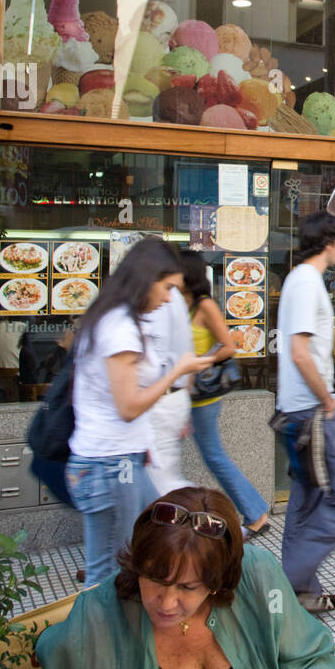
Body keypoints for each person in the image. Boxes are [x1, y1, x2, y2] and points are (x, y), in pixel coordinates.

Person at [24, 486, 335, 669]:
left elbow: (311, 658)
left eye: (187, 587)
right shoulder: (96, 617)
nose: (165, 603)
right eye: (152, 579)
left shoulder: (258, 577)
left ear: (218, 580)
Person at [66, 238, 214, 587]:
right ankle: (100, 638)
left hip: (117, 460)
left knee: (153, 535)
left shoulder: (114, 317)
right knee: (113, 570)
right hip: (111, 465)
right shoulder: (120, 327)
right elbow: (129, 406)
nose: (168, 299)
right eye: (166, 289)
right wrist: (177, 372)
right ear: (147, 279)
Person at [275, 212, 335, 613]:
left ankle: (300, 591)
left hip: (293, 410)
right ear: (328, 240)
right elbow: (299, 352)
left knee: (305, 498)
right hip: (314, 409)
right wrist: (328, 402)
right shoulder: (308, 282)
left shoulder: (296, 279)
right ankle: (287, 584)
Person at [179, 251, 270, 535]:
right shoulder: (182, 305)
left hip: (204, 396)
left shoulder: (205, 306)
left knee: (214, 455)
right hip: (181, 394)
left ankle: (255, 514)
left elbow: (230, 347)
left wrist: (199, 362)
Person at [145, 270, 194, 496]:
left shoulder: (160, 300)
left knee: (160, 482)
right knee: (162, 476)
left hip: (159, 399)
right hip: (172, 396)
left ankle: (199, 522)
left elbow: (157, 359)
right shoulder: (175, 300)